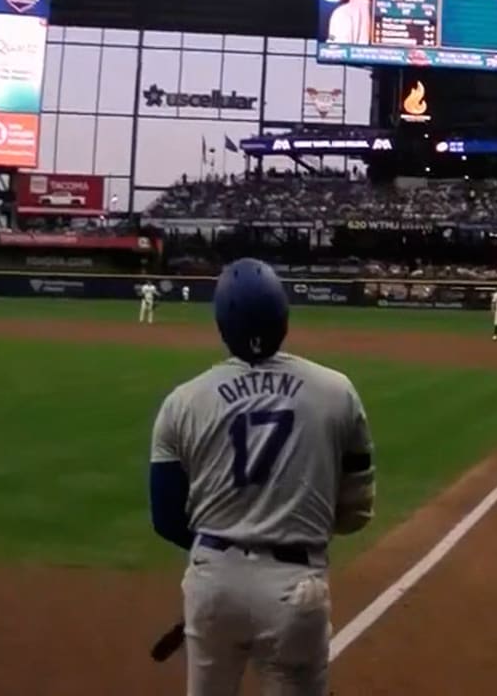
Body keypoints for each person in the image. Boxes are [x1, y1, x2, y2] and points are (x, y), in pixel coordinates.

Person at [149, 258, 375, 696]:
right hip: (295, 588)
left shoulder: (182, 402)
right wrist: (292, 526)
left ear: (221, 324)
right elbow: (356, 512)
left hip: (212, 583)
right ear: (284, 318)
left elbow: (166, 517)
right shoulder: (337, 391)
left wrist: (227, 550)